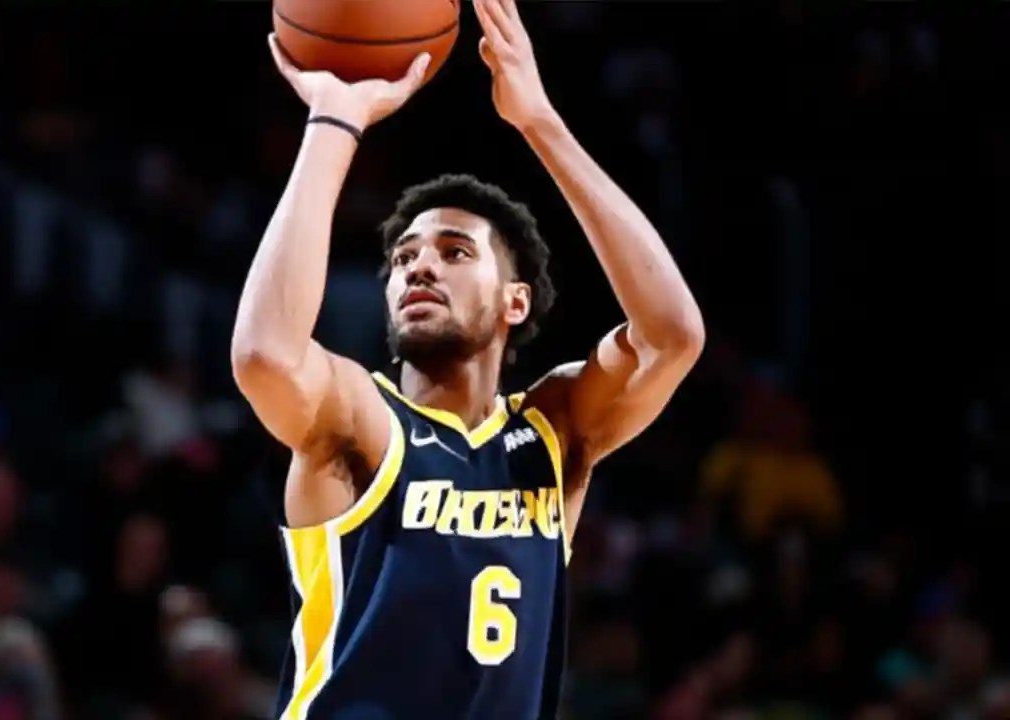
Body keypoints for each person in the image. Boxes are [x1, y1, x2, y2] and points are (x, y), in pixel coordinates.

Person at [231, 0, 704, 717]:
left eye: (453, 252)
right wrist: (334, 121)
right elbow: (265, 354)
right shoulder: (361, 420)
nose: (418, 269)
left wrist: (541, 124)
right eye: (402, 258)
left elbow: (673, 335)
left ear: (516, 302)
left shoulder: (554, 432)